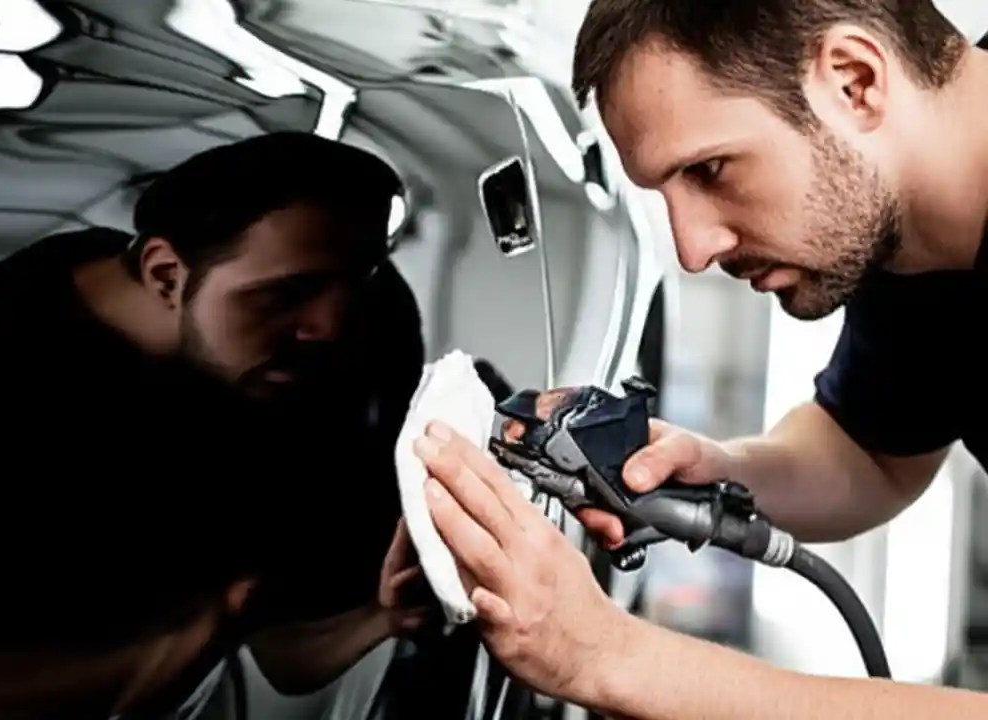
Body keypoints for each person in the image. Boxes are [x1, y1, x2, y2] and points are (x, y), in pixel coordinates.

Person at [409, 0, 988, 717]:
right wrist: (716, 475)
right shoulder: (907, 225)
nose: (693, 249)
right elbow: (875, 454)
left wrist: (615, 660)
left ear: (853, 80)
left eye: (711, 170)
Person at [0, 132, 433, 720]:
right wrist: (217, 618)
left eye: (356, 282)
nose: (328, 327)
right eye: (285, 295)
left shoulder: (365, 324)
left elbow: (291, 647)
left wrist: (381, 617)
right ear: (165, 277)